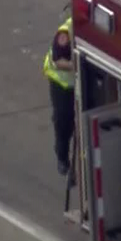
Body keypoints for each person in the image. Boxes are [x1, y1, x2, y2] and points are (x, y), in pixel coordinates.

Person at [44, 16, 75, 176]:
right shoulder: (65, 33)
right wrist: (77, 65)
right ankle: (62, 158)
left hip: (77, 84)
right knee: (64, 123)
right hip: (61, 85)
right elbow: (58, 62)